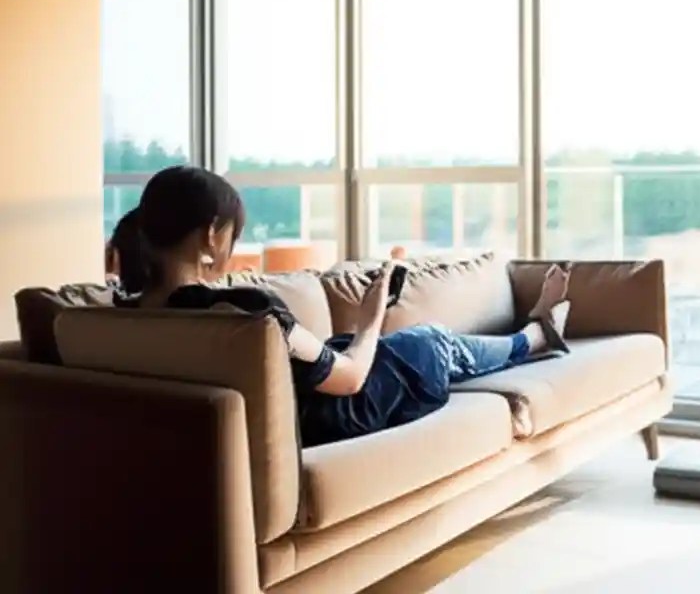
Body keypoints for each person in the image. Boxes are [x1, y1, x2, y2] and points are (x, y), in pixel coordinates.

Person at [111, 165, 572, 447]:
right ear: (212, 234)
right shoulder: (246, 311)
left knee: (347, 343)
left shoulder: (116, 321)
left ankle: (529, 334)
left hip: (290, 409)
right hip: (333, 418)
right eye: (233, 234)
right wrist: (372, 317)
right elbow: (350, 379)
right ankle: (533, 335)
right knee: (430, 342)